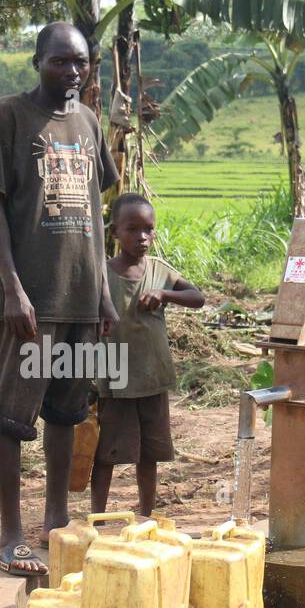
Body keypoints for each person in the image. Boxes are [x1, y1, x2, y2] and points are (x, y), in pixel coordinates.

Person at [0, 21, 119, 577]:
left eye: (80, 62)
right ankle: (10, 534)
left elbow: (95, 217)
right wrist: (12, 288)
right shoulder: (12, 116)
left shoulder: (87, 122)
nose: (72, 72)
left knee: (67, 413)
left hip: (80, 298)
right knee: (11, 418)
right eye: (60, 61)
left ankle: (57, 518)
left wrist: (103, 292)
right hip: (27, 301)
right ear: (38, 61)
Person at [89, 193, 203, 515]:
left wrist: (165, 294)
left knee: (150, 453)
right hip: (115, 379)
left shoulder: (159, 271)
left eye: (148, 229)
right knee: (106, 453)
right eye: (132, 229)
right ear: (114, 232)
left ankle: (146, 515)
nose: (142, 237)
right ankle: (97, 517)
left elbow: (197, 297)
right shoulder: (102, 274)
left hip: (152, 378)